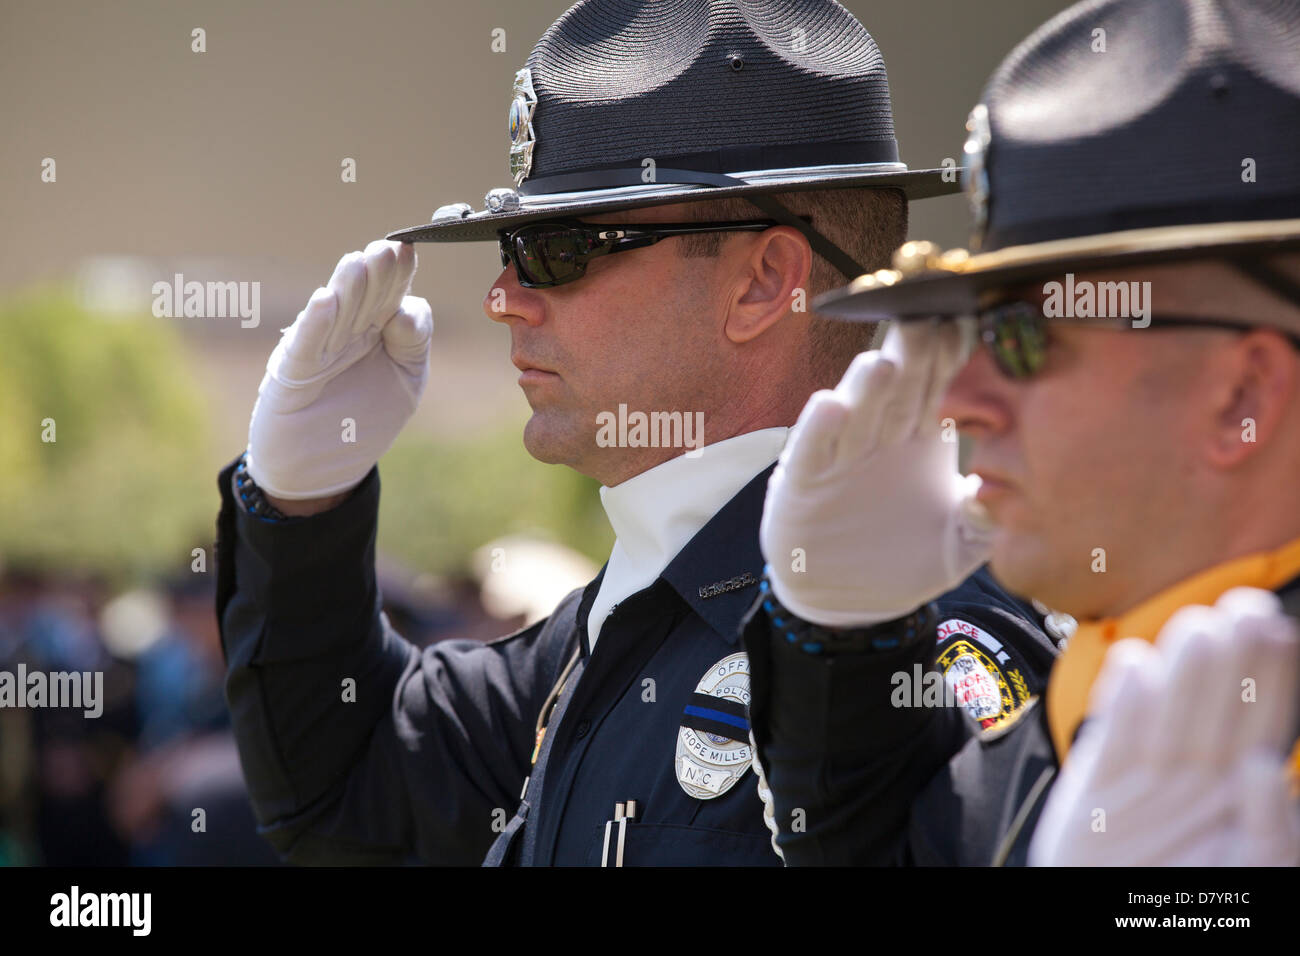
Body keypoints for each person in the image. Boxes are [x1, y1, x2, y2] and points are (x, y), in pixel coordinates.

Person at [215, 0, 1043, 867]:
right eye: (511, 247)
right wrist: (301, 505)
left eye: (560, 248)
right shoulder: (627, 613)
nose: (503, 297)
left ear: (764, 284)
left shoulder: (917, 638)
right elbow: (350, 791)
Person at [746, 0, 1300, 865]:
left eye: (1023, 336)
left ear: (1243, 395)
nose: (960, 402)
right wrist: (843, 639)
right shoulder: (1093, 691)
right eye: (974, 334)